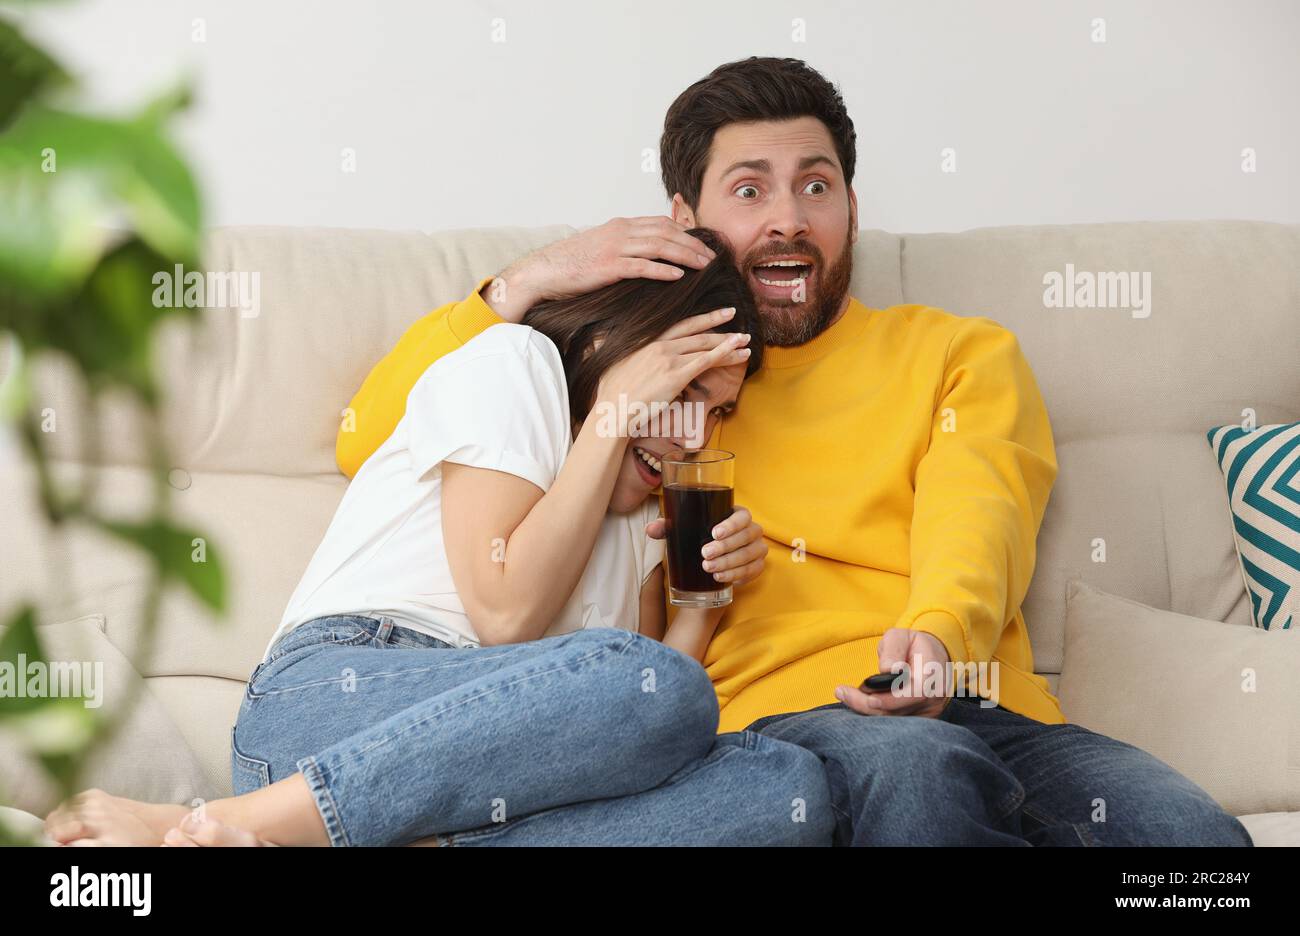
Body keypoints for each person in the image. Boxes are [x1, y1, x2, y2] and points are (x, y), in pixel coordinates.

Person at [331, 57, 1253, 847]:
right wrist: (522, 284)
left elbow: (980, 515)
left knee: (1193, 846)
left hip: (973, 697)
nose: (788, 218)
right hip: (772, 729)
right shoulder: (666, 378)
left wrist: (936, 639)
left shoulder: (958, 352)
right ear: (684, 218)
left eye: (816, 185)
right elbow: (371, 439)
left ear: (852, 205)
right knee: (918, 778)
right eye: (749, 189)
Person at [42, 229, 834, 847]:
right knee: (650, 680)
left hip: (461, 787)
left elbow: (648, 727)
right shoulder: (514, 366)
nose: (693, 433)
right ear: (612, 345)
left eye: (717, 410)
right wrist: (614, 417)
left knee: (786, 791)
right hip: (335, 702)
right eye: (683, 388)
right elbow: (504, 614)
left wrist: (701, 603)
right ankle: (226, 816)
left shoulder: (642, 519)